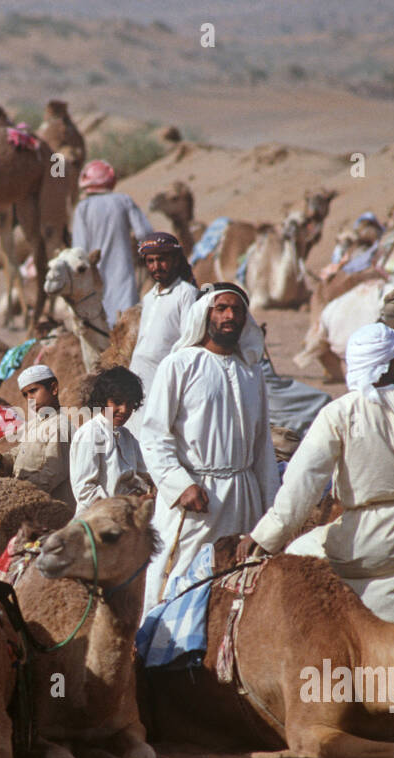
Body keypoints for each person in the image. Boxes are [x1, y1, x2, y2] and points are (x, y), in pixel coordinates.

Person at [240, 323, 394, 621]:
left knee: (297, 555)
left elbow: (301, 487)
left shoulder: (337, 413)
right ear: (391, 365)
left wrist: (265, 537)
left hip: (361, 541)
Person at [140, 282, 281, 614]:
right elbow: (154, 434)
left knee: (237, 581)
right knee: (178, 581)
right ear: (205, 313)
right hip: (195, 497)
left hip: (242, 496)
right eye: (222, 308)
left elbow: (263, 448)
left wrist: (270, 508)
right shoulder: (179, 365)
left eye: (237, 309)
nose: (230, 315)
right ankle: (157, 653)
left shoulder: (251, 372)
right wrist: (180, 485)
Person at [127, 232, 198, 437]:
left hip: (164, 380)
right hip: (139, 378)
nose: (156, 266)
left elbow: (189, 342)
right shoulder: (149, 297)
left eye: (161, 259)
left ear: (174, 260)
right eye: (150, 261)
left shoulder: (186, 293)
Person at [70, 159, 154, 326]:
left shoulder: (83, 208)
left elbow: (79, 250)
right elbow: (145, 233)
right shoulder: (123, 201)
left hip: (94, 285)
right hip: (124, 278)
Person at [0, 364, 75, 506]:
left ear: (54, 388)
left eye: (33, 391)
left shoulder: (61, 426)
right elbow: (21, 452)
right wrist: (2, 460)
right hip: (30, 501)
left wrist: (17, 490)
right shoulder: (34, 424)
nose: (29, 399)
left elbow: (52, 474)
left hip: (52, 508)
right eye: (25, 395)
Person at [69, 366, 151, 513]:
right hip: (98, 521)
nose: (124, 410)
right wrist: (122, 506)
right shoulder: (90, 434)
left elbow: (147, 472)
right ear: (103, 400)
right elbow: (85, 491)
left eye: (130, 403)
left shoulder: (126, 436)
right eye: (117, 402)